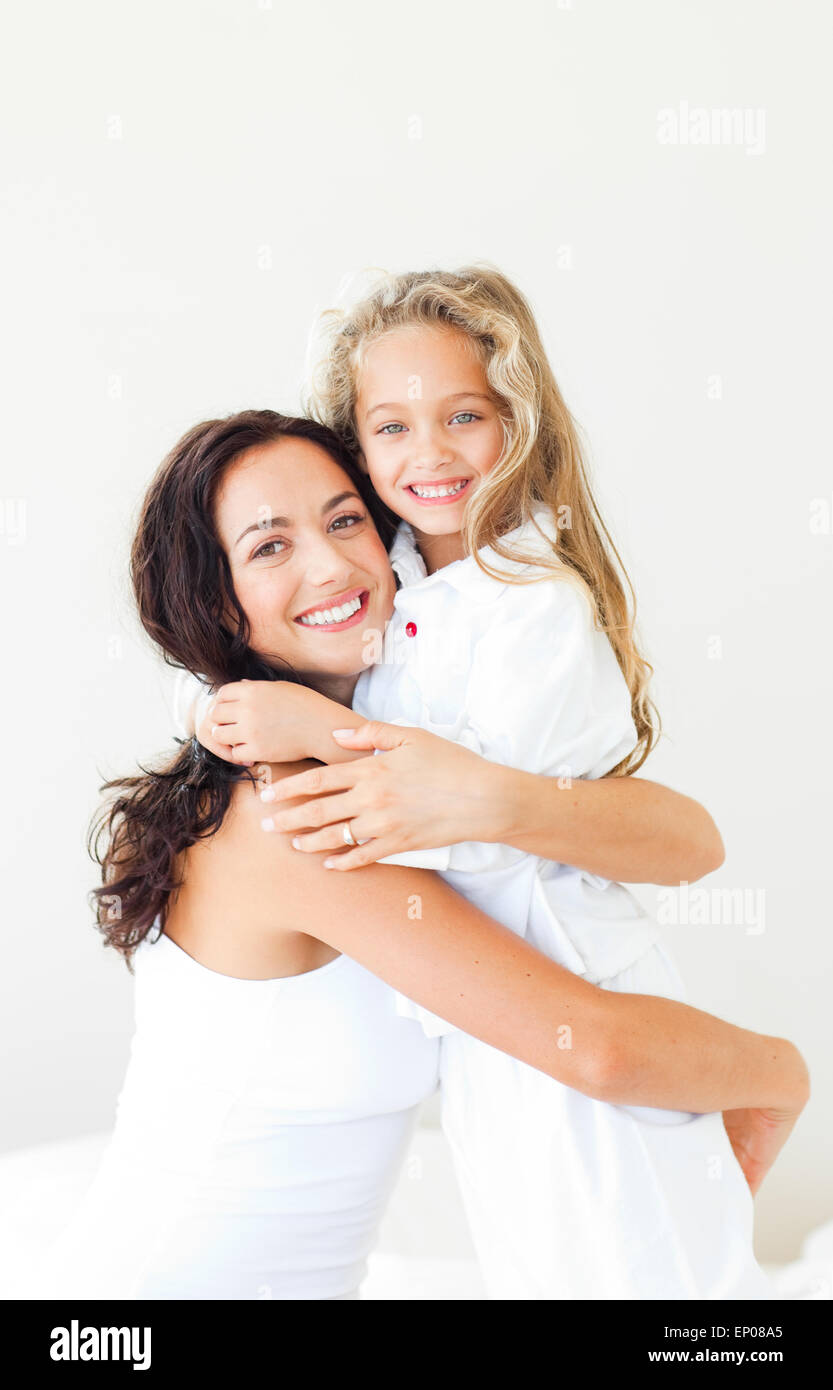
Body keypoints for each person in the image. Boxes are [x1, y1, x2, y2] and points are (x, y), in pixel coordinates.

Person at [185, 269, 802, 1298]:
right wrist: (217, 711)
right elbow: (225, 661)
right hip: (483, 1010)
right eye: (390, 427)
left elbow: (443, 814)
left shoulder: (534, 605)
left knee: (636, 1267)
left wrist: (318, 728)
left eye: (461, 415)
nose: (427, 454)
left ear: (514, 420)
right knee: (541, 1261)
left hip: (569, 980)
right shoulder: (396, 574)